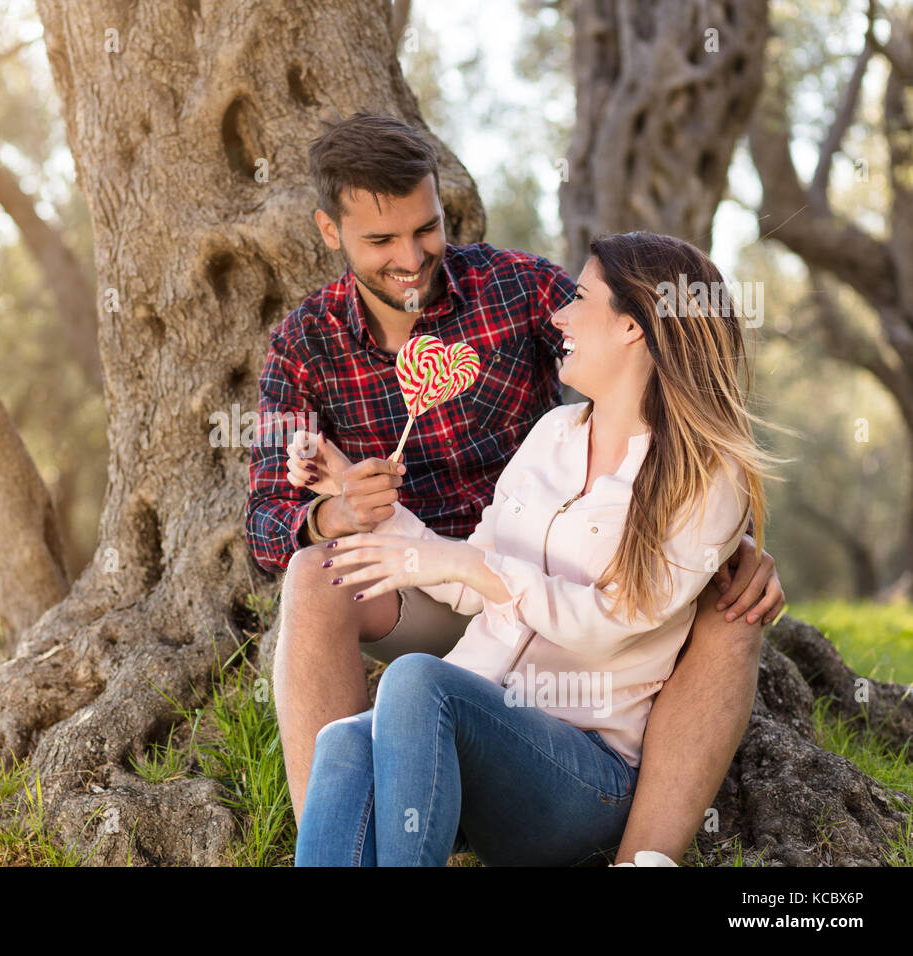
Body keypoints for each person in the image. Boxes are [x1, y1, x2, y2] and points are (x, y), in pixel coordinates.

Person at [245, 112, 786, 865]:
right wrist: (338, 509)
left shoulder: (515, 290)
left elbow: (644, 357)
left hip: (548, 663)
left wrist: (736, 540)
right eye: (381, 241)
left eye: (424, 229)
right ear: (330, 232)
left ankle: (645, 857)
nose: (410, 258)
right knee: (334, 640)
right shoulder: (307, 342)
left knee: (728, 613)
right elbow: (266, 528)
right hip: (450, 598)